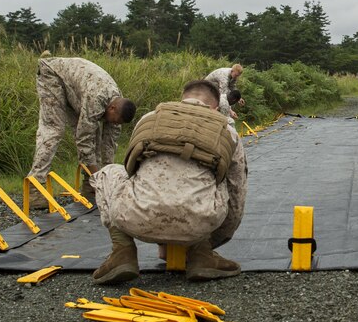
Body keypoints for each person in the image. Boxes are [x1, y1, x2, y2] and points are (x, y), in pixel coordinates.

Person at [90, 79, 248, 284]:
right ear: (215, 108)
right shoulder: (228, 131)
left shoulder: (149, 118)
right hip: (200, 223)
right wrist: (208, 241)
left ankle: (123, 251)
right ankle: (202, 256)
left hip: (135, 217)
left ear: (182, 99)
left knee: (109, 172)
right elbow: (237, 197)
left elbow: (132, 172)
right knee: (228, 179)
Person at [26, 57, 136, 190]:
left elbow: (109, 144)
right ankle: (35, 184)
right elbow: (83, 139)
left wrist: (107, 176)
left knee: (94, 134)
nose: (113, 123)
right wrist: (98, 177)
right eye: (114, 120)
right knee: (54, 129)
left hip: (76, 87)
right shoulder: (96, 99)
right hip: (53, 74)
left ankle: (90, 184)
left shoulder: (118, 107)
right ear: (112, 108)